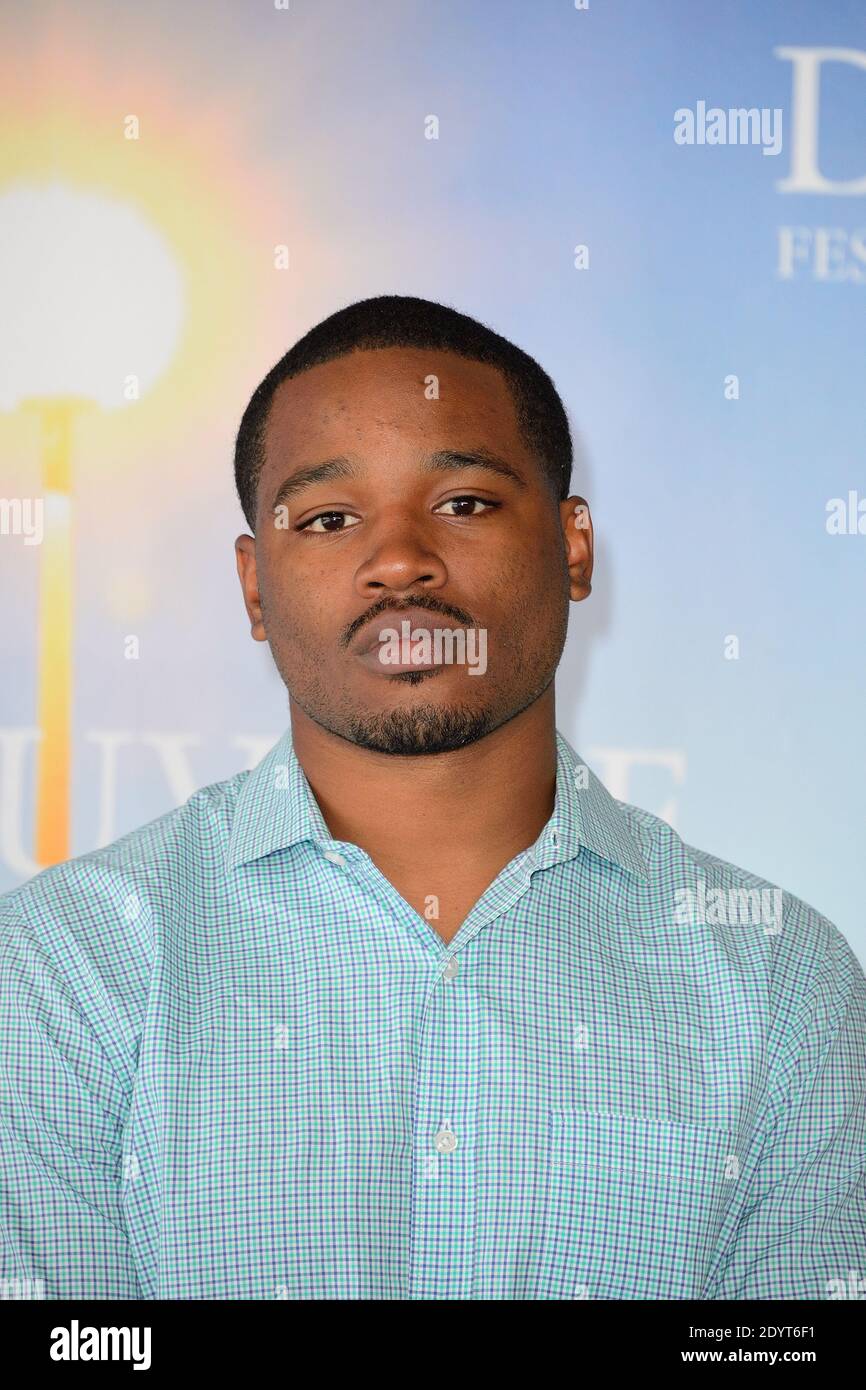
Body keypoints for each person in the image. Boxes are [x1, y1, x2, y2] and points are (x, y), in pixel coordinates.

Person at [1, 295, 864, 1300]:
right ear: (252, 585)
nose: (399, 559)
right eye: (328, 518)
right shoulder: (63, 966)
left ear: (573, 547)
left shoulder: (777, 983)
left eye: (462, 503)